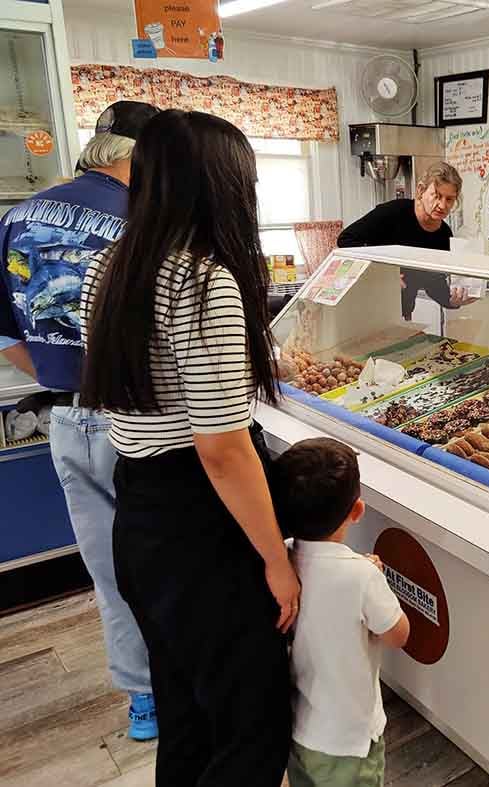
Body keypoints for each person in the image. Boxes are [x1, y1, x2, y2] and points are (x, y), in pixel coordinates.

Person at [79, 110, 299, 787]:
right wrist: (277, 561)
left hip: (140, 514)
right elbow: (223, 451)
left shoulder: (109, 268)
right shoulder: (204, 281)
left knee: (186, 717)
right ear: (217, 186)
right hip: (203, 529)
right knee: (252, 726)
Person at [0, 101, 160, 741]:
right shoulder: (149, 219)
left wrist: (58, 370)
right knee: (170, 562)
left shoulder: (17, 217)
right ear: (141, 156)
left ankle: (144, 701)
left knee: (109, 573)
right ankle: (188, 687)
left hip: (67, 419)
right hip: (142, 420)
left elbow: (6, 335)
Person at [272, 437, 410, 787]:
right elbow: (398, 634)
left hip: (299, 728)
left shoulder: (281, 561)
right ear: (357, 510)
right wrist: (374, 582)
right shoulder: (362, 576)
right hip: (350, 740)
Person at [337, 161, 476, 320]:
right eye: (437, 196)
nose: (442, 205)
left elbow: (433, 283)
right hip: (365, 309)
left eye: (449, 199)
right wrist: (384, 273)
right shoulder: (393, 212)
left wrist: (452, 301)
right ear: (421, 190)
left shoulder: (444, 234)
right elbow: (346, 240)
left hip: (401, 314)